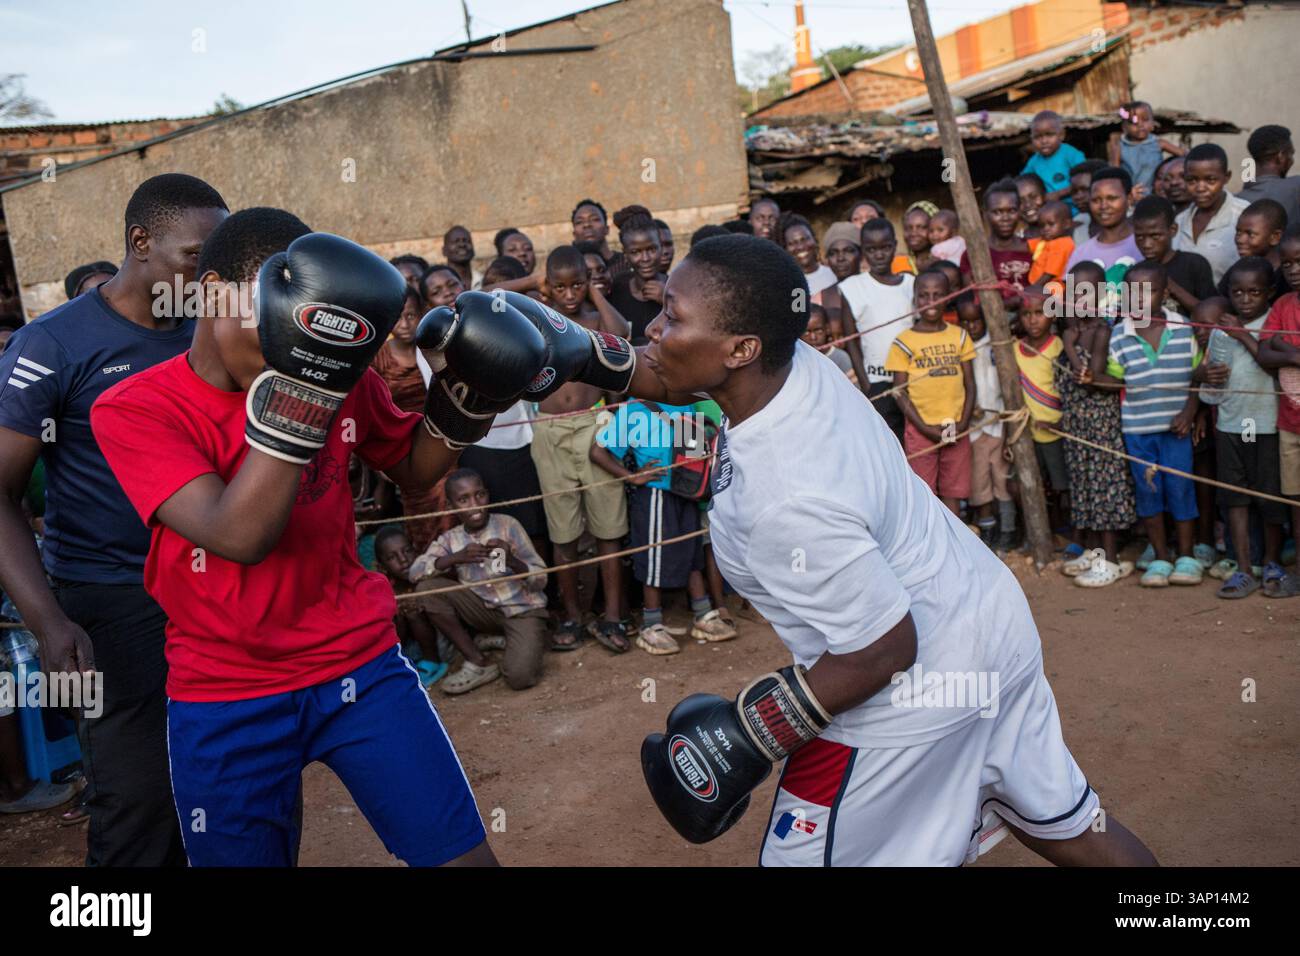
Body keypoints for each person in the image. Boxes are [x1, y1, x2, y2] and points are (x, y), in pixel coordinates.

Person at [630, 233, 1155, 866]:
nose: (655, 329)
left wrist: (749, 734)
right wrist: (565, 354)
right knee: (1069, 824)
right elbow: (671, 374)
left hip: (909, 684)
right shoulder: (795, 365)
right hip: (987, 621)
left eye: (673, 316)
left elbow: (882, 650)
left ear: (741, 348)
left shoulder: (786, 495)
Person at [89, 209, 548, 866]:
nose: (283, 342)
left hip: (357, 662)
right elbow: (237, 533)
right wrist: (308, 381)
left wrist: (467, 398)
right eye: (269, 315)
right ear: (211, 290)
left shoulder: (342, 373)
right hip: (226, 690)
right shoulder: (135, 407)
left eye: (296, 326)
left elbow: (415, 470)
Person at [0, 172, 228, 866]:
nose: (209, 275)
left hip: (214, 595)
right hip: (110, 605)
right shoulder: (52, 346)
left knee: (224, 785)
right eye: (197, 256)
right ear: (140, 243)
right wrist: (48, 621)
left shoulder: (210, 330)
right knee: (135, 803)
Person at [527, 253, 634, 653]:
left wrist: (593, 291)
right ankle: (572, 614)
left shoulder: (593, 320)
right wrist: (535, 281)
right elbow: (492, 295)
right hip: (549, 429)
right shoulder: (536, 317)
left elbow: (621, 334)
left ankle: (612, 617)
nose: (570, 294)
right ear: (548, 285)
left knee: (609, 527)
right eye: (561, 286)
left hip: (594, 423)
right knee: (563, 532)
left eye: (578, 285)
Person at [589, 399, 735, 654]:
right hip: (655, 492)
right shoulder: (632, 411)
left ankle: (702, 613)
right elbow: (597, 451)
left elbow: (694, 451)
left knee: (691, 553)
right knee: (654, 557)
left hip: (684, 489)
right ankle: (652, 624)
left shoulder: (684, 404)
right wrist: (633, 476)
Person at [1097, 261, 1203, 587]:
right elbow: (1115, 381)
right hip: (1139, 431)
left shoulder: (1183, 329)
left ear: (1166, 293)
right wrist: (1092, 379)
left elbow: (1198, 378)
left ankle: (1186, 556)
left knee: (1181, 489)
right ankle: (1159, 556)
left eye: (1150, 291)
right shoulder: (1119, 334)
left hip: (1177, 429)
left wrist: (1190, 412)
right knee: (1149, 491)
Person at [1198, 258, 1294, 598]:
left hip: (1263, 424)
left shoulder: (1275, 323)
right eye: (1237, 292)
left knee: (1267, 496)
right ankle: (1242, 567)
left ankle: (1270, 561)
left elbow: (1273, 368)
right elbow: (1208, 379)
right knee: (1235, 497)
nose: (1245, 299)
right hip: (1230, 424)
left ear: (1269, 292)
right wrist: (1204, 376)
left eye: (1254, 292)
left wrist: (1242, 334)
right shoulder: (1223, 329)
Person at [409, 468, 552, 691]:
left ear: (487, 494)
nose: (474, 504)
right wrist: (455, 558)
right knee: (426, 588)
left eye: (480, 495)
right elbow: (415, 572)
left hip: (521, 610)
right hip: (481, 610)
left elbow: (541, 580)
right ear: (451, 506)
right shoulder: (451, 538)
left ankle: (508, 639)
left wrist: (512, 561)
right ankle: (477, 660)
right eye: (463, 499)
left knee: (519, 677)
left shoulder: (508, 525)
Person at [1056, 263, 1138, 586]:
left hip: (1099, 424)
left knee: (1105, 490)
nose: (1080, 298)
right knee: (1085, 487)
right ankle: (1093, 552)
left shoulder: (1102, 331)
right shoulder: (1071, 326)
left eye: (1087, 292)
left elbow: (1089, 378)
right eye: (1074, 291)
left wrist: (1069, 347)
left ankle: (1111, 559)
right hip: (1077, 424)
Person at [886, 268, 975, 515]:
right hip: (920, 427)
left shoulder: (959, 336)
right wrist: (926, 429)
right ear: (915, 299)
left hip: (955, 424)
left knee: (953, 490)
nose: (931, 301)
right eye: (924, 295)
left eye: (938, 295)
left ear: (948, 297)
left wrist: (964, 423)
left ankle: (956, 542)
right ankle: (931, 546)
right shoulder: (903, 341)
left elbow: (970, 383)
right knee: (925, 492)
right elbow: (898, 391)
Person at [372, 286, 453, 549]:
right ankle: (432, 569)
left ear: (422, 314)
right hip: (404, 448)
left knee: (452, 505)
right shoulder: (379, 357)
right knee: (421, 513)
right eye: (398, 317)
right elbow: (371, 410)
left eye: (412, 316)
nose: (406, 324)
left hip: (443, 441)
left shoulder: (433, 349)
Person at [838, 218, 915, 436]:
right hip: (877, 381)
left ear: (895, 245)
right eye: (871, 250)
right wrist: (866, 383)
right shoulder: (853, 287)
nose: (879, 255)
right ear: (863, 251)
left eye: (885, 248)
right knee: (889, 439)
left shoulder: (910, 284)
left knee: (916, 440)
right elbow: (851, 340)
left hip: (913, 379)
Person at [1258, 234, 1300, 595]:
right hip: (1290, 422)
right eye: (1286, 263)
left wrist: (1281, 346)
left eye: (1299, 261)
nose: (1294, 270)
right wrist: (1293, 354)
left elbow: (1273, 346)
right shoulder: (1284, 304)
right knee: (1295, 501)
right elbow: (1263, 352)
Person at [957, 293, 1015, 550]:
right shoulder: (959, 347)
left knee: (1002, 479)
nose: (971, 327)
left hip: (1000, 422)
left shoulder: (998, 345)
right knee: (979, 483)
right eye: (965, 322)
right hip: (973, 428)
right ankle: (988, 529)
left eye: (976, 321)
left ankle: (1008, 531)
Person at [1014, 284, 1071, 535]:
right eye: (1026, 314)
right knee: (1033, 483)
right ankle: (1040, 533)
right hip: (1027, 432)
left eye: (1040, 313)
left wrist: (1061, 424)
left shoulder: (1058, 347)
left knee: (1062, 486)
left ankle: (1064, 532)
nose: (1033, 320)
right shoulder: (1013, 350)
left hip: (1057, 431)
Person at [373, 525, 448, 688]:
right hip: (408, 650)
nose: (403, 560)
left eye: (407, 551)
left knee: (412, 609)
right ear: (382, 565)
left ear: (416, 550)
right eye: (392, 557)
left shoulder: (426, 575)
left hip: (441, 644)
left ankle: (432, 662)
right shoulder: (384, 588)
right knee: (397, 611)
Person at [1175, 143, 1251, 285]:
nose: (1200, 188)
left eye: (1210, 180)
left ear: (1226, 177)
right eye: (1192, 180)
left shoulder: (1245, 216)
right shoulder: (1178, 222)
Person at [1131, 195, 1216, 317]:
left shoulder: (1194, 265)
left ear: (1173, 230)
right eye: (1139, 237)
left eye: (1155, 236)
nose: (1147, 244)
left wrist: (1171, 286)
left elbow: (1210, 314)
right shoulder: (1136, 273)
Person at [960, 178, 1032, 309]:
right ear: (985, 213)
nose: (1005, 218)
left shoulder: (1031, 248)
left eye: (1011, 211)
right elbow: (974, 300)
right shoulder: (973, 255)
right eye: (997, 212)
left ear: (1019, 211)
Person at [1066, 166, 1141, 288]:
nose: (1103, 206)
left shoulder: (1145, 245)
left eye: (1112, 198)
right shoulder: (1081, 252)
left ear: (1129, 199)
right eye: (1096, 200)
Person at [608, 205, 667, 345]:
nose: (645, 258)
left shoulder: (676, 286)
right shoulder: (617, 288)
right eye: (636, 252)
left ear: (661, 248)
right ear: (625, 254)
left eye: (651, 249)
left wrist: (668, 298)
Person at [1109, 101, 1184, 199]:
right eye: (1134, 122)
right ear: (1124, 127)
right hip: (1133, 194)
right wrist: (1127, 190)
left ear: (1153, 123)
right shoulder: (1119, 147)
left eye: (1145, 120)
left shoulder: (1158, 143)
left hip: (1158, 193)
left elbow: (1183, 155)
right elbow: (1114, 173)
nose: (1140, 125)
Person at [1223, 199, 1289, 301]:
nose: (1240, 240)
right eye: (1238, 232)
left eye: (1250, 234)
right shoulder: (1238, 270)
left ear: (1275, 237)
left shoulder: (1288, 276)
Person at [1236, 124, 1300, 228]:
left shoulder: (1236, 200)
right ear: (1281, 156)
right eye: (1291, 154)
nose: (1292, 160)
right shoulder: (1295, 188)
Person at [1021, 110, 1086, 207]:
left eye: (1049, 134)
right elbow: (1022, 182)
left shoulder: (1071, 154)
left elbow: (1084, 180)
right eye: (1037, 137)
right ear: (1031, 139)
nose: (1044, 141)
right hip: (1050, 211)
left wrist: (1058, 194)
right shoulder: (1033, 163)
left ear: (1062, 135)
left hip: (1077, 208)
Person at [815, 220, 860, 340]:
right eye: (833, 253)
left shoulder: (875, 288)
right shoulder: (818, 300)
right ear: (827, 259)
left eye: (848, 251)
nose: (840, 258)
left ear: (861, 254)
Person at [778, 212, 836, 295]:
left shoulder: (834, 273)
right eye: (792, 243)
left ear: (814, 239)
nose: (800, 247)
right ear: (785, 249)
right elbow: (799, 308)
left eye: (804, 239)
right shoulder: (787, 285)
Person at [1027, 200, 1075, 284]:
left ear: (1067, 224)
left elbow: (1049, 274)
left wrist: (1034, 288)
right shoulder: (1045, 240)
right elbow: (1026, 246)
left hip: (1052, 289)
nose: (1046, 229)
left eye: (1051, 224)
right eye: (1042, 225)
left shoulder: (1063, 244)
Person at [801, 303, 853, 378]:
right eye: (806, 332)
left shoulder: (840, 357)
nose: (813, 337)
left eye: (818, 330)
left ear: (827, 329)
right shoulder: (797, 359)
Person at [1069, 159, 1108, 244]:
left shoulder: (1130, 221)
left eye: (1085, 189)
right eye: (1074, 191)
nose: (1078, 197)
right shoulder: (1078, 229)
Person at [892, 201, 936, 274]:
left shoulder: (945, 260)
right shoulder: (898, 262)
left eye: (921, 227)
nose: (913, 233)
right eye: (908, 228)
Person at [441, 225, 479, 289]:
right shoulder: (439, 285)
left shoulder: (483, 280)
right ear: (444, 250)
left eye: (466, 241)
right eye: (455, 241)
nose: (462, 245)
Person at [1014, 174, 1047, 240]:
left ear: (1045, 195)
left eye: (1033, 197)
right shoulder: (1015, 243)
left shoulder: (1065, 229)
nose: (1028, 204)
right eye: (1020, 201)